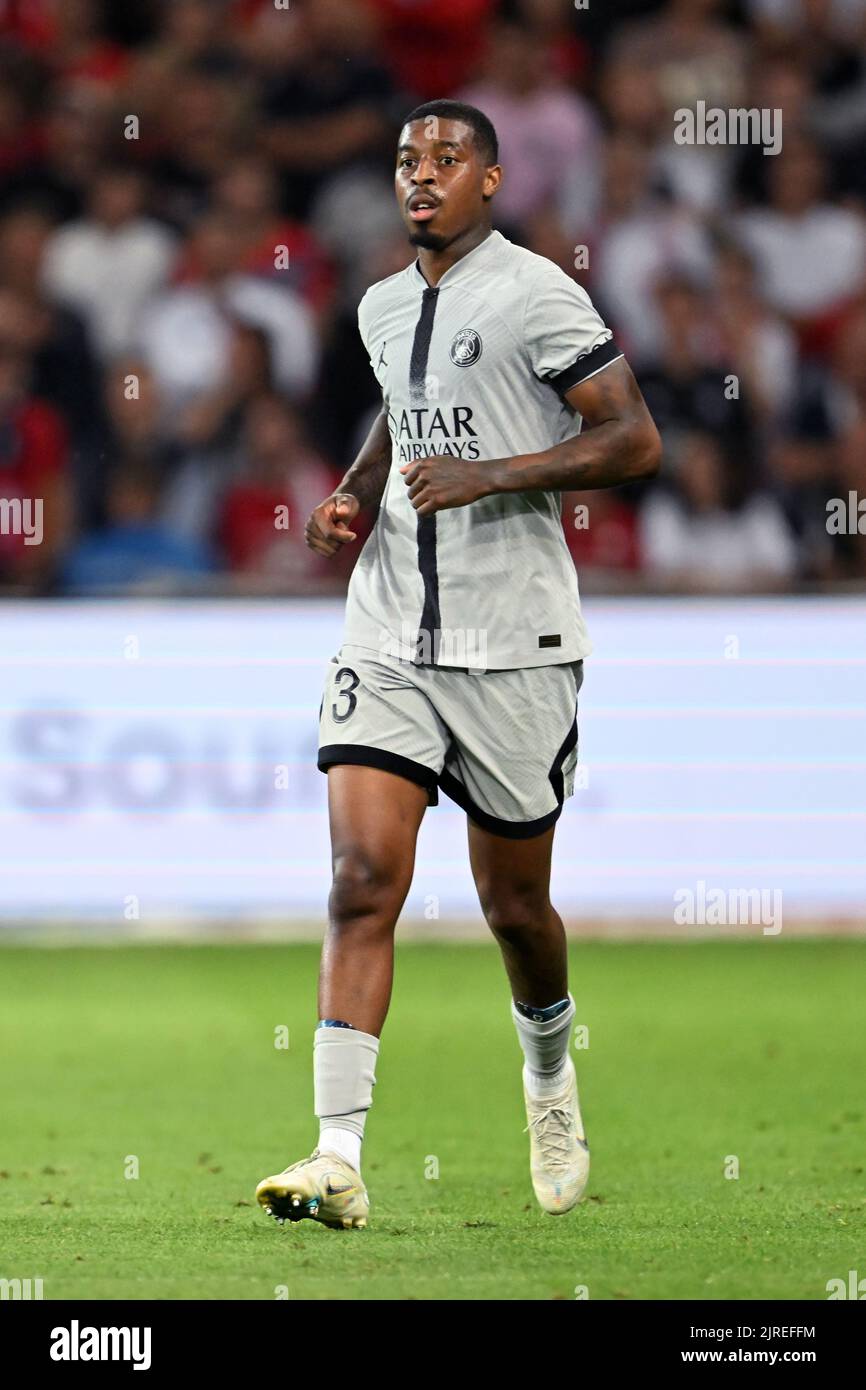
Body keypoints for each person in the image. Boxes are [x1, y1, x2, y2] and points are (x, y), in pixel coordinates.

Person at [255, 100, 661, 1231]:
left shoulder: (537, 292)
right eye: (405, 161)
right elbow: (398, 423)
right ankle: (337, 1155)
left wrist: (492, 474)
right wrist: (351, 493)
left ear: (489, 180)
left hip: (513, 646)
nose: (420, 177)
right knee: (358, 879)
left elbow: (633, 438)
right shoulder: (382, 305)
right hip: (387, 634)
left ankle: (546, 1079)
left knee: (514, 908)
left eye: (446, 160)